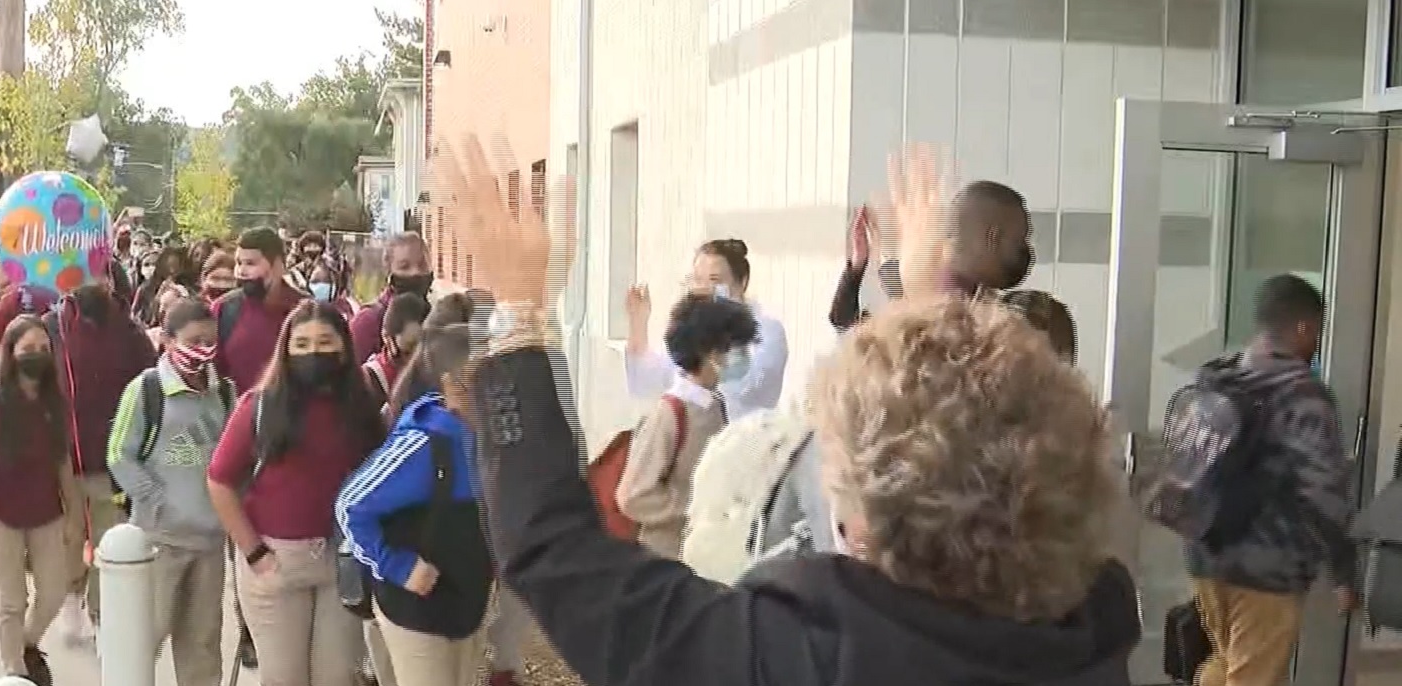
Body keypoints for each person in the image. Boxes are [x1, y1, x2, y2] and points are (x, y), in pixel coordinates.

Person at [433, 137, 1141, 686]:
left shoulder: (803, 655)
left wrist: (520, 306)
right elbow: (966, 434)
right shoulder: (1100, 622)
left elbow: (553, 553)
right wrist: (929, 299)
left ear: (859, 524)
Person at [1186, 274, 1355, 686]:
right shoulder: (1305, 397)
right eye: (1316, 330)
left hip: (1206, 556)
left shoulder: (1216, 379)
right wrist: (1344, 571)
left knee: (1227, 667)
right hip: (1266, 569)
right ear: (1302, 327)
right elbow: (1323, 495)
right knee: (1251, 676)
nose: (1315, 343)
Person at [207, 301, 383, 686]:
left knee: (336, 677)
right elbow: (219, 480)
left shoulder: (362, 406)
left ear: (343, 346)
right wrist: (254, 552)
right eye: (301, 344)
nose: (312, 352)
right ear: (285, 349)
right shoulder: (259, 406)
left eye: (324, 342)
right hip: (276, 563)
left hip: (342, 561)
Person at [338, 323, 493, 686]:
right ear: (453, 387)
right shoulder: (423, 445)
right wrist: (397, 565)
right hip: (416, 608)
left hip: (468, 598)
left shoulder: (490, 442)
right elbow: (350, 506)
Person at [108, 298, 235, 686]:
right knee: (144, 639)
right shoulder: (146, 390)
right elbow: (119, 455)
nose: (204, 349)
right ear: (166, 340)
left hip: (210, 542)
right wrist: (156, 502)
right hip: (160, 540)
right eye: (194, 339)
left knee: (201, 645)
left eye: (211, 340)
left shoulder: (225, 393)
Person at [0, 315, 79, 686]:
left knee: (55, 591)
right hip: (1, 514)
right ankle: (16, 673)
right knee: (12, 600)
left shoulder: (54, 402)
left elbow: (64, 465)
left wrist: (75, 518)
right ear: (11, 353)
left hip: (47, 512)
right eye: (28, 349)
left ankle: (26, 644)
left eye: (44, 349)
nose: (37, 355)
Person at [45, 275, 157, 640]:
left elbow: (149, 388)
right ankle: (71, 597)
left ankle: (100, 616)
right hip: (63, 459)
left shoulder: (131, 333)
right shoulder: (53, 324)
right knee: (70, 537)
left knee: (110, 540)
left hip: (112, 461)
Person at [616, 294, 757, 558]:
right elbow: (633, 496)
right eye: (737, 348)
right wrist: (696, 506)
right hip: (667, 560)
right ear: (712, 353)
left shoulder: (715, 405)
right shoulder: (670, 414)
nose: (744, 357)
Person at [828, 180, 1037, 331]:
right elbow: (848, 322)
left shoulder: (923, 296)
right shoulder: (954, 317)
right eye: (1021, 239)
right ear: (994, 237)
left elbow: (847, 321)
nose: (1027, 251)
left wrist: (858, 266)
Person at [623, 239, 788, 417]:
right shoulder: (691, 330)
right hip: (696, 437)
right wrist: (638, 322)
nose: (704, 289)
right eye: (698, 280)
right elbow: (651, 381)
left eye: (714, 280)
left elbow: (750, 388)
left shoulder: (768, 330)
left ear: (742, 282)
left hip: (746, 438)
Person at [214, 227, 309, 395]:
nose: (241, 271)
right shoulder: (224, 309)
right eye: (238, 263)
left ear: (278, 265)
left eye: (251, 263)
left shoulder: (305, 310)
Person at [350, 234, 432, 364]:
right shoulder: (368, 321)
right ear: (389, 271)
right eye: (404, 267)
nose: (416, 272)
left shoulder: (437, 317)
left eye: (422, 265)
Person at [361, 293, 431, 414]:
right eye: (409, 349)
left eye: (424, 348)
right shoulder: (372, 379)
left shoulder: (437, 375)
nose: (416, 358)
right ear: (387, 338)